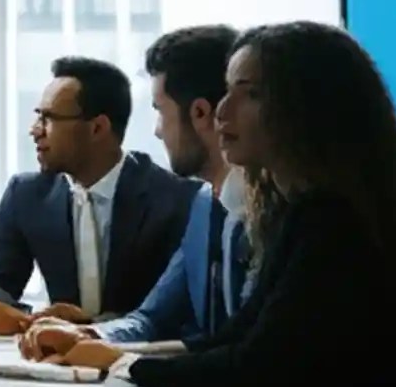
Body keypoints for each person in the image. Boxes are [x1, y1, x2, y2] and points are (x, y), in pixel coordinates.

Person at [32, 21, 396, 387]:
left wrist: (124, 363)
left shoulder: (336, 222)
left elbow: (255, 368)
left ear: (308, 107)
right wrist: (109, 352)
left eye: (250, 93)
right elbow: (233, 339)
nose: (223, 111)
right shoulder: (298, 214)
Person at [21, 26, 251, 354]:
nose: (157, 132)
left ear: (200, 113)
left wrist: (122, 360)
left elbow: (241, 350)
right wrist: (90, 337)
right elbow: (151, 318)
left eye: (159, 111)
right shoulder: (202, 205)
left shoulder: (267, 212)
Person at [0, 57, 199, 332]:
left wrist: (87, 327)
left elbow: (174, 313)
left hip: (139, 361)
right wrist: (33, 321)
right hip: (55, 360)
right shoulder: (26, 195)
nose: (34, 130)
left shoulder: (176, 200)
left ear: (97, 128)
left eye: (48, 118)